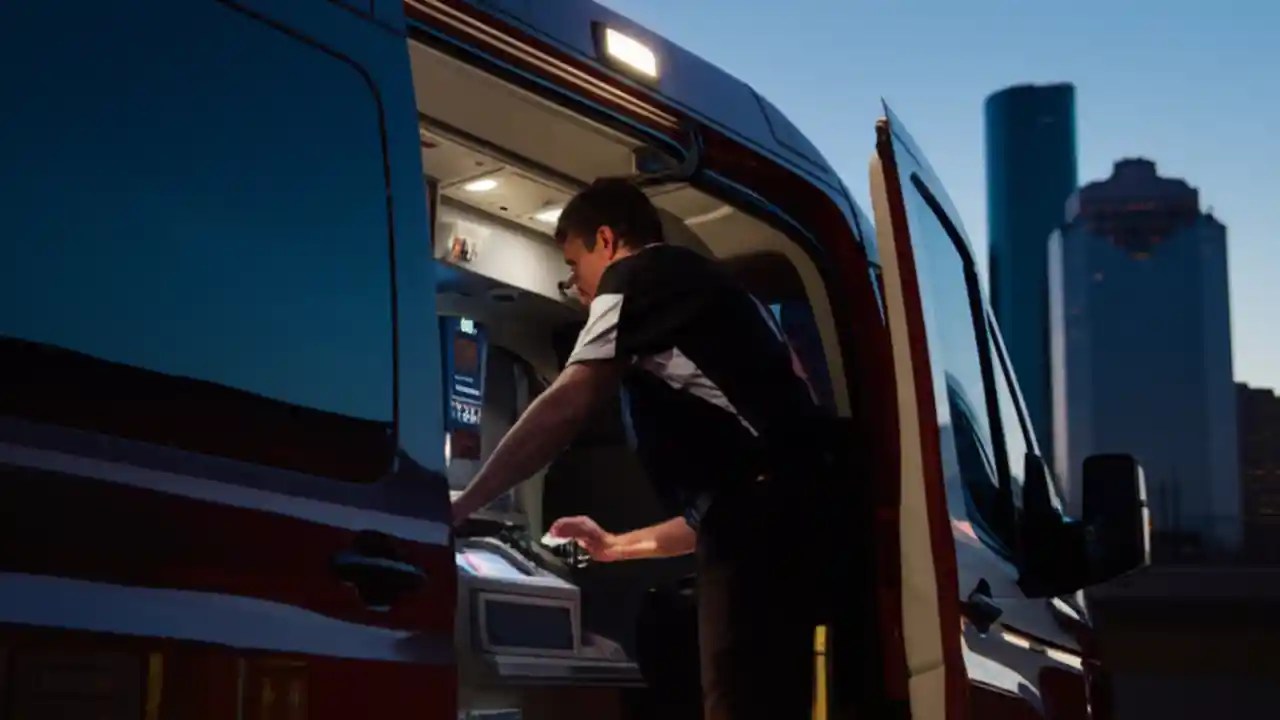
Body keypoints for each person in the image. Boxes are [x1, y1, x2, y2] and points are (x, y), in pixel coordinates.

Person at [450, 177, 838, 720]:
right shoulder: (701, 304)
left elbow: (566, 405)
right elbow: (721, 507)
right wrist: (614, 546)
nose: (577, 288)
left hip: (761, 536)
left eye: (574, 266)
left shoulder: (640, 275)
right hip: (783, 531)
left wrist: (461, 506)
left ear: (606, 241)